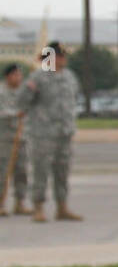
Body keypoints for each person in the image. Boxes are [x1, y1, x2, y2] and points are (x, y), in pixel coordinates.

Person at [16, 41, 82, 223]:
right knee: (41, 171)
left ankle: (62, 207)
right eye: (59, 56)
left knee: (62, 170)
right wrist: (29, 89)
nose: (63, 59)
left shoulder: (70, 77)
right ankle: (38, 207)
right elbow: (21, 102)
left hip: (64, 132)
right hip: (42, 133)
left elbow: (74, 99)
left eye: (63, 56)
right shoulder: (38, 77)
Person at [0, 63, 32, 216]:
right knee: (3, 172)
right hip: (4, 139)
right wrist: (15, 114)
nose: (19, 78)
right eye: (16, 75)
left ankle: (20, 202)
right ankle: (1, 203)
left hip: (21, 138)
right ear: (8, 76)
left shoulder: (22, 92)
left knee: (21, 171)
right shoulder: (1, 92)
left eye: (21, 75)